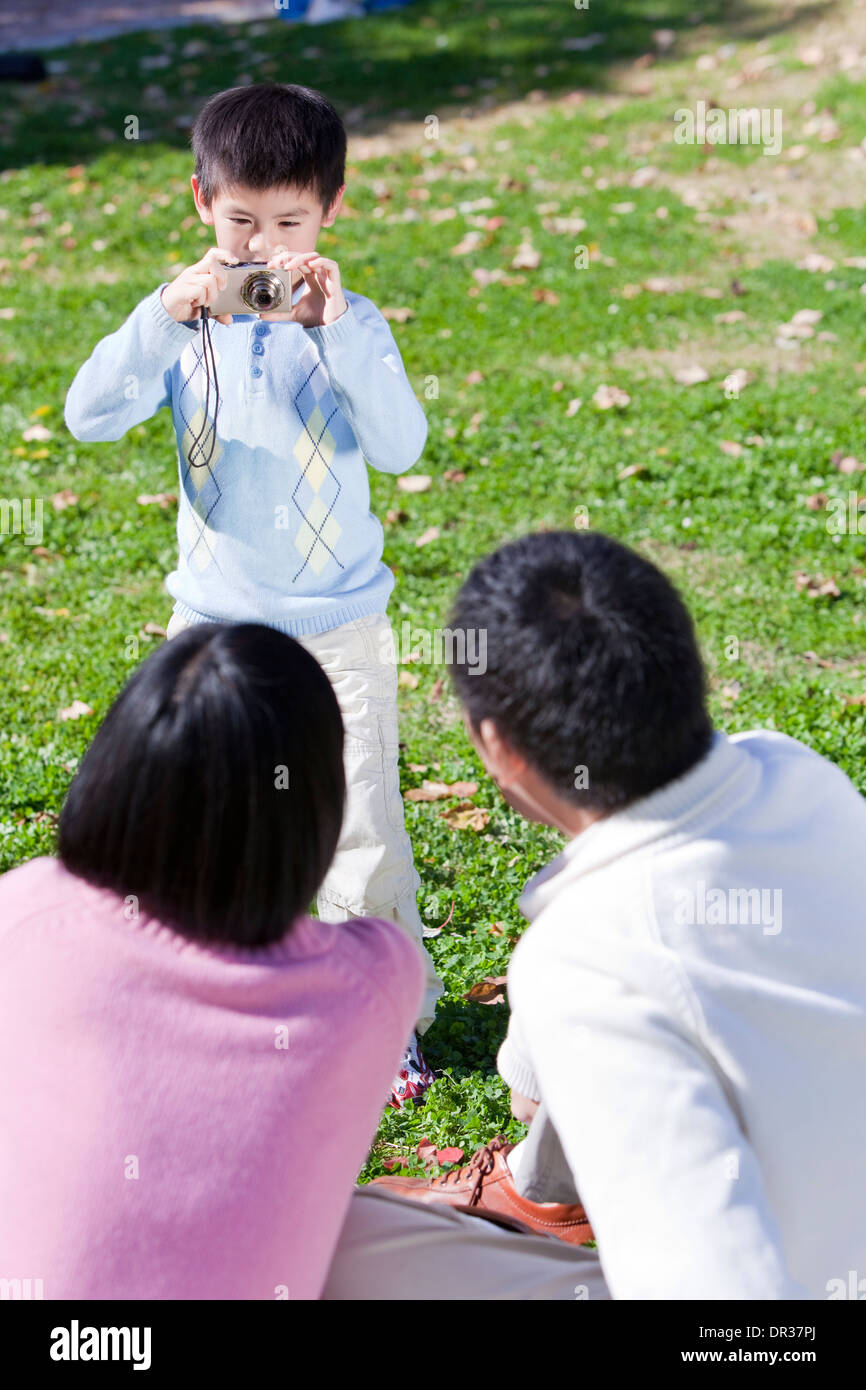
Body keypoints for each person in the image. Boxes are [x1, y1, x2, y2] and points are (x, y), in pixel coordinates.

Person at [324, 529, 866, 1300]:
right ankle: (536, 1192)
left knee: (341, 1250)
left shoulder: (587, 958)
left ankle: (535, 1198)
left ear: (499, 750)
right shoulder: (797, 770)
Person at [62, 81, 442, 1106]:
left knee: (358, 824)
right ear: (200, 203)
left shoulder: (349, 323)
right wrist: (162, 313)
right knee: (206, 813)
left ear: (333, 211)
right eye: (242, 223)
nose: (264, 248)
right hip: (217, 625)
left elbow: (405, 448)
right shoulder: (184, 324)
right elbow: (87, 415)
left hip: (340, 621)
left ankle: (385, 1024)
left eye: (289, 224)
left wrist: (337, 330)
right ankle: (213, 994)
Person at [0, 623, 426, 1299]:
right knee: (388, 1230)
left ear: (111, 770)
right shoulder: (375, 978)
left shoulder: (21, 912)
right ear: (317, 810)